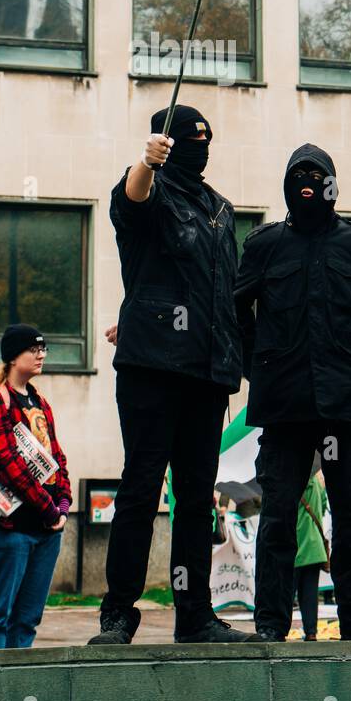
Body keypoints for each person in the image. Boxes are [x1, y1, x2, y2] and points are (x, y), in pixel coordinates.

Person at [88, 105, 248, 646]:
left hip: (207, 376)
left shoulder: (221, 209)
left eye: (207, 135)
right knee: (140, 488)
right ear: (165, 143)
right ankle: (118, 612)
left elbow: (225, 294)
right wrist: (145, 163)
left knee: (197, 499)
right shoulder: (151, 192)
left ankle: (194, 614)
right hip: (152, 371)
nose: (200, 143)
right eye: (188, 137)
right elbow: (130, 203)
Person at [235, 145, 351, 642]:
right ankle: (270, 627)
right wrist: (262, 367)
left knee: (349, 518)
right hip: (284, 411)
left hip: (341, 411)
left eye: (316, 174)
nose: (306, 181)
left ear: (332, 184)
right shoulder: (264, 245)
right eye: (297, 174)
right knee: (277, 519)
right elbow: (238, 314)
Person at [0, 325, 71, 649]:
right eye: (34, 349)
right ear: (14, 356)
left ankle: (16, 690)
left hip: (46, 530)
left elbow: (56, 456)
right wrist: (47, 506)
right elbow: (4, 462)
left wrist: (64, 503)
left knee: (27, 619)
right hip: (7, 528)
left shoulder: (40, 401)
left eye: (44, 348)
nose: (41, 354)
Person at [295, 469, 328, 640]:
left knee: (288, 591)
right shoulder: (317, 482)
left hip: (298, 543)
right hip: (315, 546)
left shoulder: (295, 480)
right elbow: (322, 506)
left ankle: (281, 629)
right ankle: (311, 632)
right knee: (309, 594)